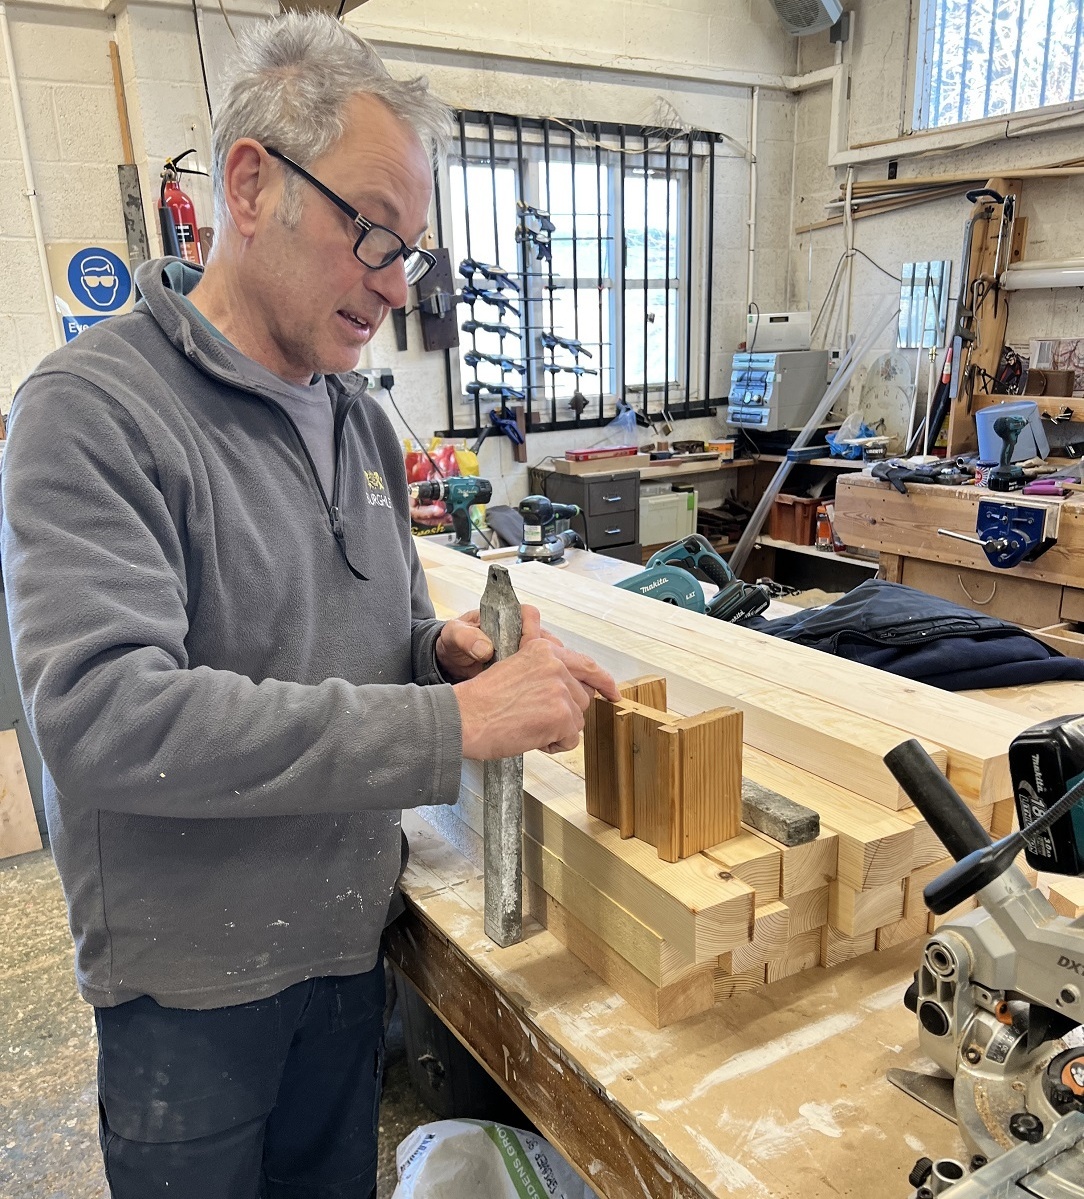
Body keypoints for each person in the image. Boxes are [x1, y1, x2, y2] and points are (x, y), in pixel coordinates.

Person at [0, 13, 618, 1199]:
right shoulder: (92, 411)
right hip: (194, 993)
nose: (394, 288)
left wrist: (436, 655)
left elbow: (340, 645)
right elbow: (106, 716)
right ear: (250, 184)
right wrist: (456, 727)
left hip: (347, 946)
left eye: (412, 256)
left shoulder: (356, 417)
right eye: (375, 237)